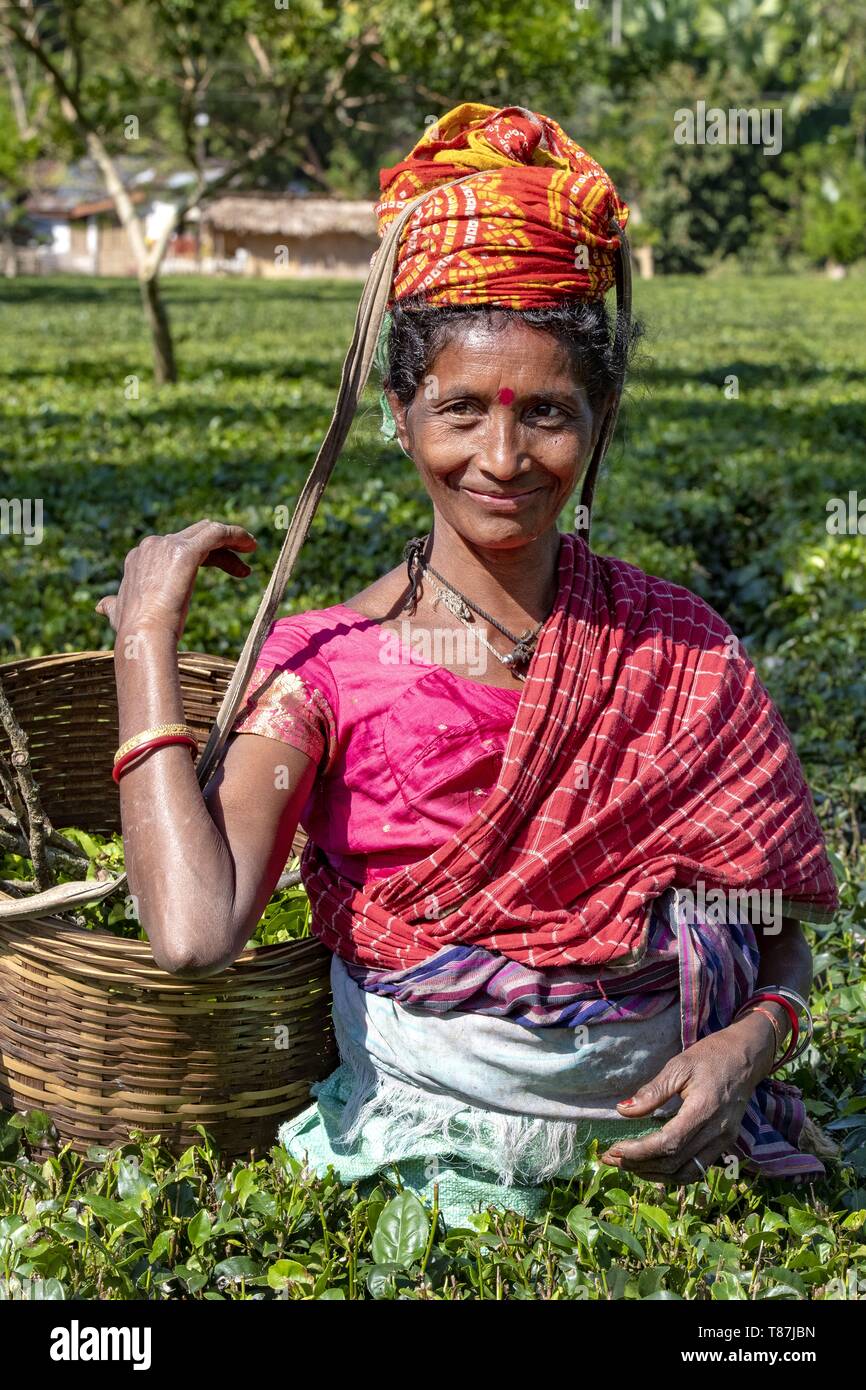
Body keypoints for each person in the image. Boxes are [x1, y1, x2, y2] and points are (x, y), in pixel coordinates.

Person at [97, 104, 839, 1225]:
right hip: (425, 1183)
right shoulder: (324, 667)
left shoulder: (677, 646)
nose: (501, 457)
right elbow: (196, 932)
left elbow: (772, 936)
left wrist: (746, 1046)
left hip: (684, 1177)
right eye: (458, 411)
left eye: (545, 412)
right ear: (399, 415)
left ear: (599, 422)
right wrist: (144, 642)